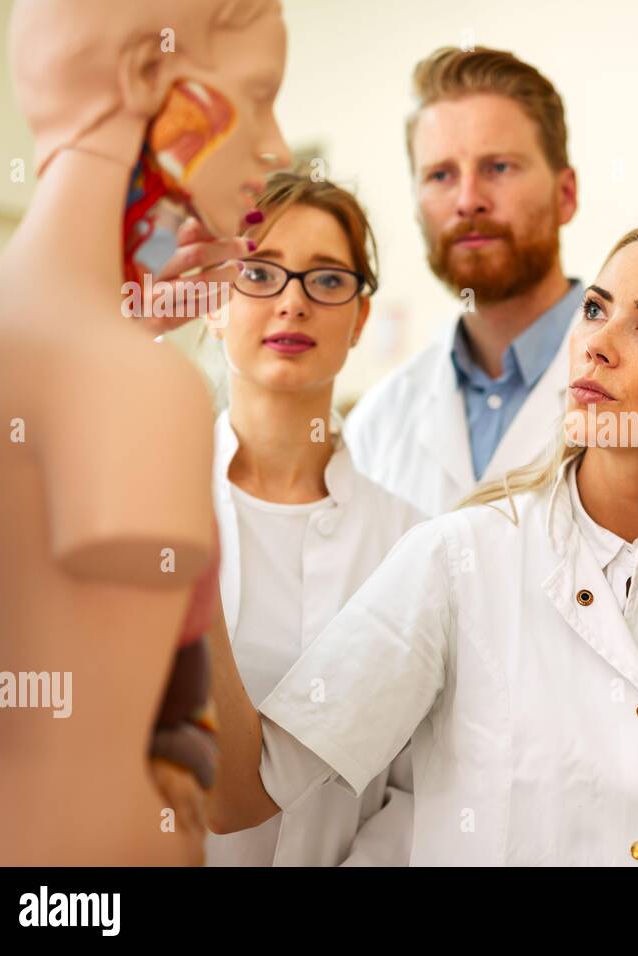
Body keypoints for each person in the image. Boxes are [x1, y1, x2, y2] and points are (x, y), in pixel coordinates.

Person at [207, 223, 638, 865]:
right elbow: (242, 793)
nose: (596, 343)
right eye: (595, 309)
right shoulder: (461, 558)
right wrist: (186, 562)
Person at [0, 0, 290, 865]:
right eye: (258, 97)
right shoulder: (135, 385)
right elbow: (198, 773)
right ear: (150, 75)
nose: (279, 148)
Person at [202, 172, 426, 865]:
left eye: (327, 281)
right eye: (260, 273)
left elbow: (419, 792)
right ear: (212, 298)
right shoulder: (150, 511)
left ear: (360, 317)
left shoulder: (413, 545)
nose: (293, 302)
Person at [343, 46, 585, 515]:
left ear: (566, 194)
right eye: (441, 175)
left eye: (498, 167)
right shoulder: (379, 425)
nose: (468, 201)